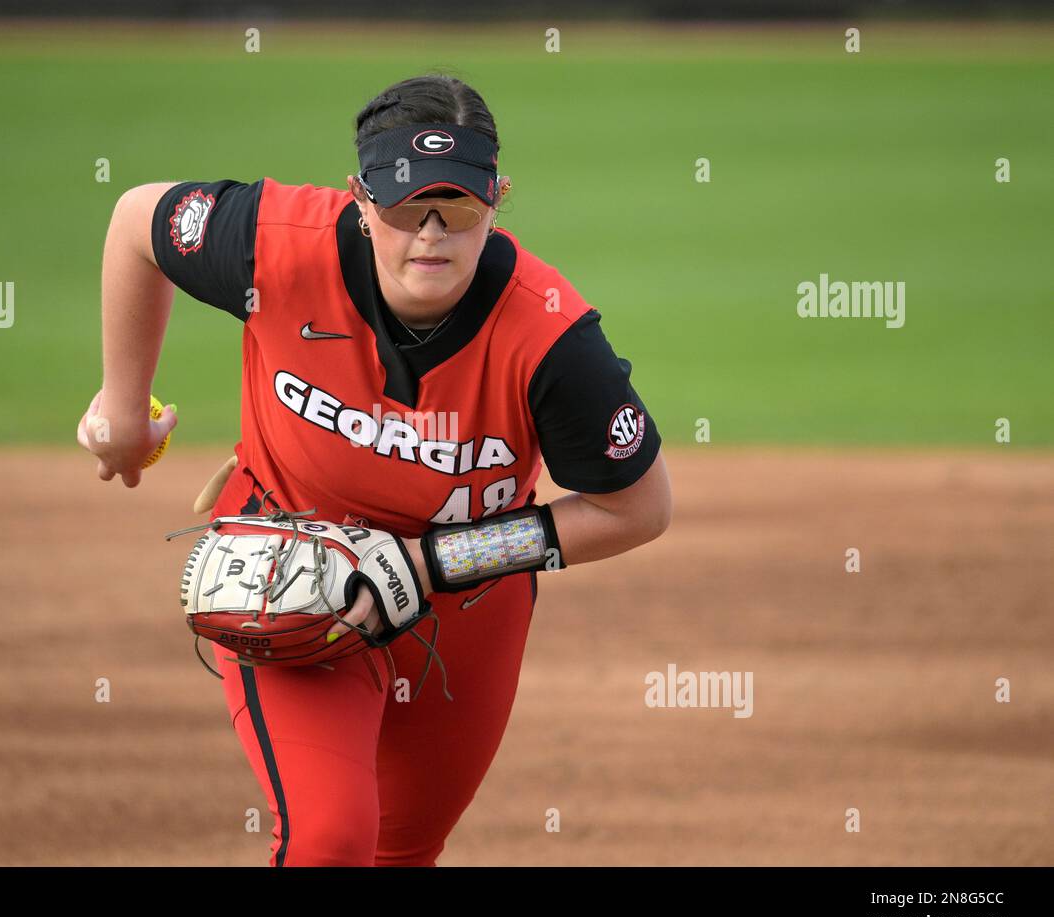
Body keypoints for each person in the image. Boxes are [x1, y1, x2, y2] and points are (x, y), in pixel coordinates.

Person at [77, 73, 672, 866]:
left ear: (495, 200)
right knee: (330, 841)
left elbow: (637, 508)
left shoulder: (549, 339)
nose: (431, 233)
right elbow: (135, 222)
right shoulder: (274, 241)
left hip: (467, 616)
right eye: (403, 206)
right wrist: (123, 410)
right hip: (289, 576)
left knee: (401, 853)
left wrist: (429, 564)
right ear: (360, 200)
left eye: (456, 207)